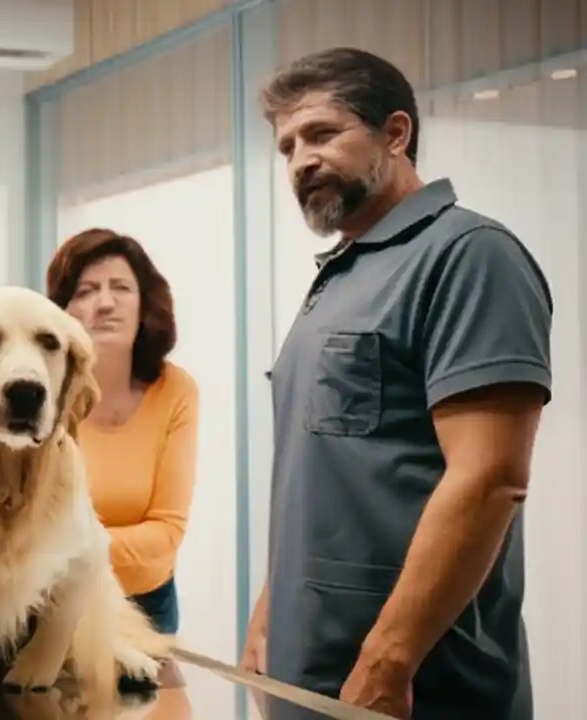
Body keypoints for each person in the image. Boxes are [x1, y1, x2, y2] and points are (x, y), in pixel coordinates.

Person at [242, 46, 551, 720]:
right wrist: (272, 610)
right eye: (288, 146)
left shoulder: (469, 256)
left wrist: (392, 656)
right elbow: (323, 477)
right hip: (312, 670)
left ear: (396, 132)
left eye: (323, 134)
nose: (301, 160)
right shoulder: (341, 276)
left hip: (415, 687)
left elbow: (491, 477)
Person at [45, 228, 200, 635]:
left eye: (121, 288)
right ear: (62, 310)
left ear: (144, 304)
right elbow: (21, 525)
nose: (106, 303)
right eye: (86, 291)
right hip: (50, 603)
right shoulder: (40, 394)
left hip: (147, 605)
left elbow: (166, 532)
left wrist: (61, 547)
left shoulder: (175, 390)